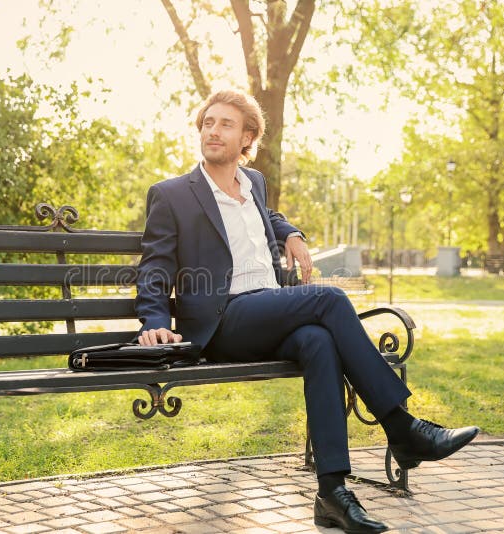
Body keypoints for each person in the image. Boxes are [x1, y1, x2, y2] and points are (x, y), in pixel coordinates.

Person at [135, 89, 478, 533]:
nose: (213, 131)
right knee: (329, 298)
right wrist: (156, 322)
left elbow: (265, 215)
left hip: (269, 312)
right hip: (222, 321)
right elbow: (156, 265)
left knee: (318, 342)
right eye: (207, 123)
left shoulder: (253, 183)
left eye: (225, 124)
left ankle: (332, 493)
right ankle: (401, 427)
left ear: (247, 138)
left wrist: (290, 231)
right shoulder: (172, 194)